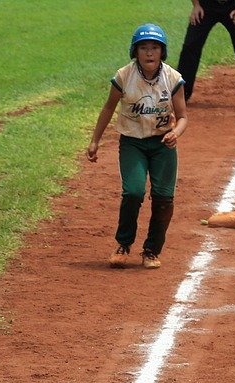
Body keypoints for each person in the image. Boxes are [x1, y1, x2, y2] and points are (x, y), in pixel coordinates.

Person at [87, 24, 189, 270]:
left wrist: (175, 133)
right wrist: (95, 140)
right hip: (133, 142)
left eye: (155, 48)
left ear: (162, 52)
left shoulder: (173, 78)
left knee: (164, 199)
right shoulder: (124, 76)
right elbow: (109, 108)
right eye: (144, 48)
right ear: (136, 51)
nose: (149, 53)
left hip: (163, 144)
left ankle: (152, 251)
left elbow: (183, 116)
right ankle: (123, 244)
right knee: (133, 192)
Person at [175, 0, 235, 111]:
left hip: (234, 6)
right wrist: (196, 5)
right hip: (206, 6)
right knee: (190, 46)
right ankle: (181, 93)